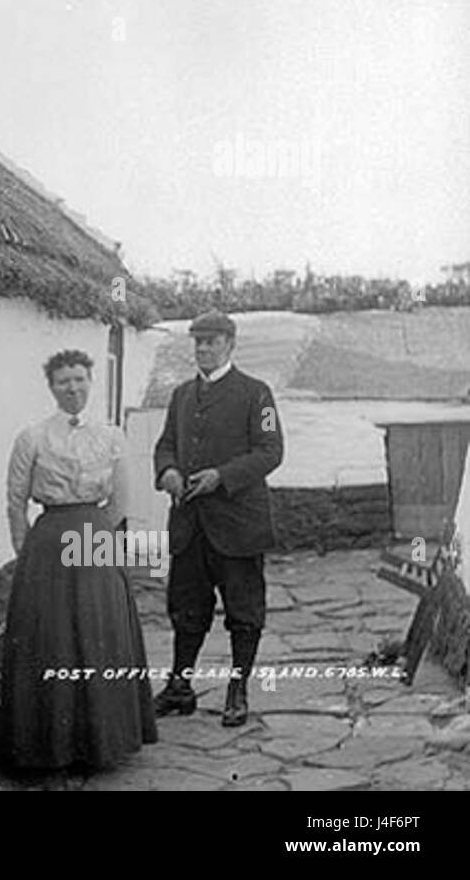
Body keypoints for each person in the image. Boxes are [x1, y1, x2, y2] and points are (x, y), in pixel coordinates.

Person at [0, 349, 157, 772]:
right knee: (52, 636)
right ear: (51, 387)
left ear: (91, 383)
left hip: (94, 534)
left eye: (80, 380)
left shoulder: (110, 436)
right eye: (64, 381)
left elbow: (121, 499)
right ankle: (48, 743)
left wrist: (94, 534)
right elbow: (15, 502)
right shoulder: (32, 437)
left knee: (98, 627)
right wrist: (29, 552)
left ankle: (103, 740)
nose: (73, 388)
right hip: (48, 542)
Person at [153, 310, 284, 727]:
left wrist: (221, 478)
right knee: (187, 609)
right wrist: (168, 473)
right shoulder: (180, 396)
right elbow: (165, 447)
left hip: (238, 526)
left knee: (244, 612)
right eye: (198, 342)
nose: (203, 349)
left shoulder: (257, 394)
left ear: (231, 344)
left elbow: (270, 451)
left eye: (212, 341)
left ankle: (238, 690)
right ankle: (180, 687)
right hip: (190, 526)